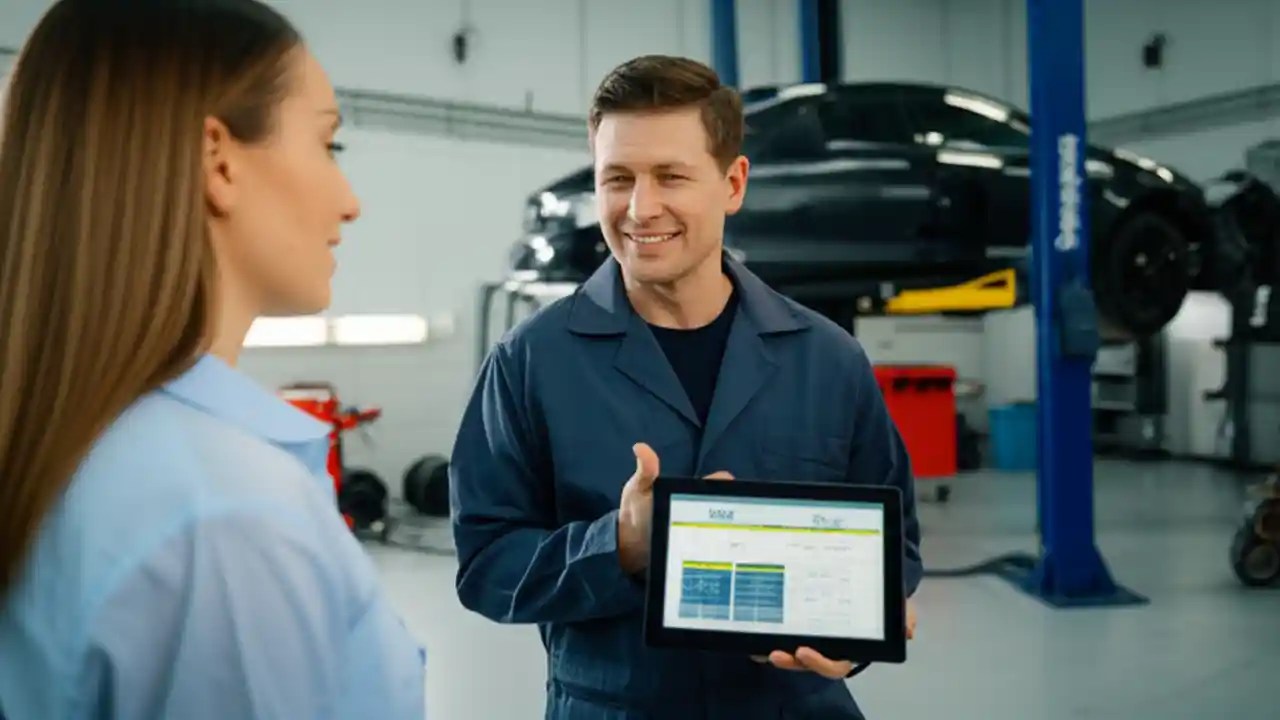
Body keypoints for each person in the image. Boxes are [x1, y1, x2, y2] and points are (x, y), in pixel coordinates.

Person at [450, 55, 922, 720]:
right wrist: (620, 545)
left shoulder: (829, 359)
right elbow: (486, 566)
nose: (641, 209)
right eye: (618, 179)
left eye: (671, 176)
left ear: (733, 184)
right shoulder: (530, 362)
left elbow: (893, 543)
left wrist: (859, 632)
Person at [0, 2, 425, 718]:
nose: (348, 202)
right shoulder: (225, 516)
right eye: (330, 146)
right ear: (217, 161)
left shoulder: (80, 441)